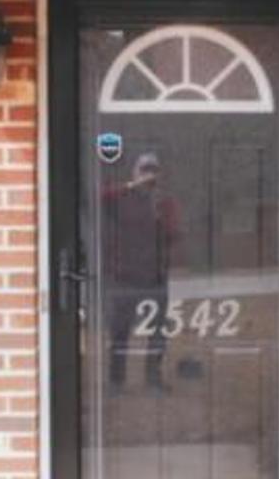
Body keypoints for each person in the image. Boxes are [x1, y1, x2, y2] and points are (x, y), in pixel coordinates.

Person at [101, 152, 180, 393]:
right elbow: (100, 199)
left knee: (157, 332)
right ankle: (116, 381)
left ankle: (153, 379)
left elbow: (174, 234)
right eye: (144, 170)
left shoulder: (164, 202)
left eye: (152, 171)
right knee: (119, 331)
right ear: (135, 172)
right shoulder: (121, 197)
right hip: (124, 276)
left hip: (155, 276)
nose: (148, 176)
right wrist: (132, 185)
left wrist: (158, 211)